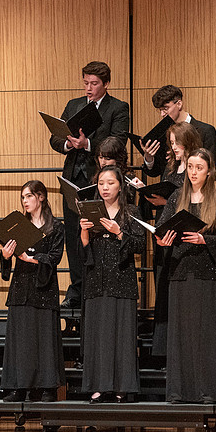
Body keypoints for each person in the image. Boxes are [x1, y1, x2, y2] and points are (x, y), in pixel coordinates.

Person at [156, 148, 216, 404]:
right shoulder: (176, 199)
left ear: (210, 171)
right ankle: (180, 392)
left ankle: (209, 391)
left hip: (207, 273)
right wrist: (162, 240)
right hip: (180, 272)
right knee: (181, 334)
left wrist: (207, 240)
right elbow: (160, 232)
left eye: (198, 168)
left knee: (206, 335)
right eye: (190, 167)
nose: (193, 172)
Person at [49, 61, 129, 310]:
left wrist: (88, 145)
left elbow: (119, 140)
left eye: (94, 83)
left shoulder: (118, 107)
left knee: (99, 233)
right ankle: (76, 288)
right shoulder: (73, 105)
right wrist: (68, 144)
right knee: (74, 233)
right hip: (74, 176)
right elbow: (55, 137)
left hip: (101, 178)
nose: (89, 88)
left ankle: (97, 286)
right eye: (86, 83)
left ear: (106, 83)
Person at [80, 166, 145, 403]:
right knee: (98, 335)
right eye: (101, 184)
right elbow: (84, 255)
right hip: (97, 280)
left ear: (120, 186)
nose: (105, 188)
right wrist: (84, 236)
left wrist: (119, 233)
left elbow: (139, 245)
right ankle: (98, 386)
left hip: (122, 279)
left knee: (122, 334)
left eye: (110, 183)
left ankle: (122, 386)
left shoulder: (132, 211)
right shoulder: (92, 212)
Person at [0, 181, 65, 403]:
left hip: (43, 288)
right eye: (23, 198)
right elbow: (8, 258)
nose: (25, 201)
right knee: (21, 339)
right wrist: (6, 256)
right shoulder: (18, 226)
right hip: (21, 287)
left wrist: (33, 259)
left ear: (41, 197)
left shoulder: (55, 226)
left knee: (44, 338)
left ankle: (47, 387)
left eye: (28, 196)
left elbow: (55, 258)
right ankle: (18, 386)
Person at [142, 122, 203, 357]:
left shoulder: (194, 169)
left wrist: (163, 203)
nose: (173, 146)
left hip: (183, 236)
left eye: (176, 142)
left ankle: (179, 350)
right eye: (171, 142)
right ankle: (164, 349)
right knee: (163, 288)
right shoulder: (171, 168)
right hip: (165, 234)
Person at [142, 84, 216, 179]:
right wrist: (149, 158)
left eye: (166, 109)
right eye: (160, 110)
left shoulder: (205, 131)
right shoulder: (164, 132)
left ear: (179, 104)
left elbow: (214, 172)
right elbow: (156, 171)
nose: (162, 114)